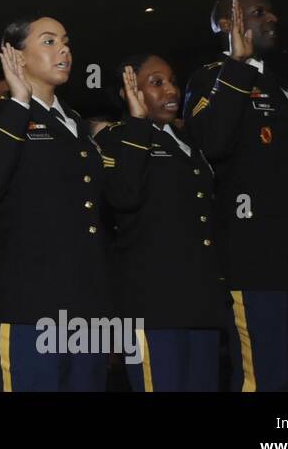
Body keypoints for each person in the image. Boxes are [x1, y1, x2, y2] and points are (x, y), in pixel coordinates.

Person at [181, 0, 288, 392]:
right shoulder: (211, 77)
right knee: (262, 379)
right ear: (228, 24)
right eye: (259, 12)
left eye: (271, 9)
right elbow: (211, 141)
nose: (273, 17)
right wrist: (237, 65)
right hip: (254, 260)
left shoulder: (282, 86)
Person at [0, 16, 112, 391]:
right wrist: (17, 102)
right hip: (29, 302)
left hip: (86, 306)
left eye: (65, 41)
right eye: (48, 41)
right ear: (16, 56)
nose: (63, 49)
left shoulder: (76, 124)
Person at [94, 54, 226, 391]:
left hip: (200, 302)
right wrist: (139, 124)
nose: (171, 90)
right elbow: (123, 196)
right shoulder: (116, 138)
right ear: (129, 92)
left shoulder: (188, 142)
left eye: (172, 81)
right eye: (156, 83)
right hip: (152, 304)